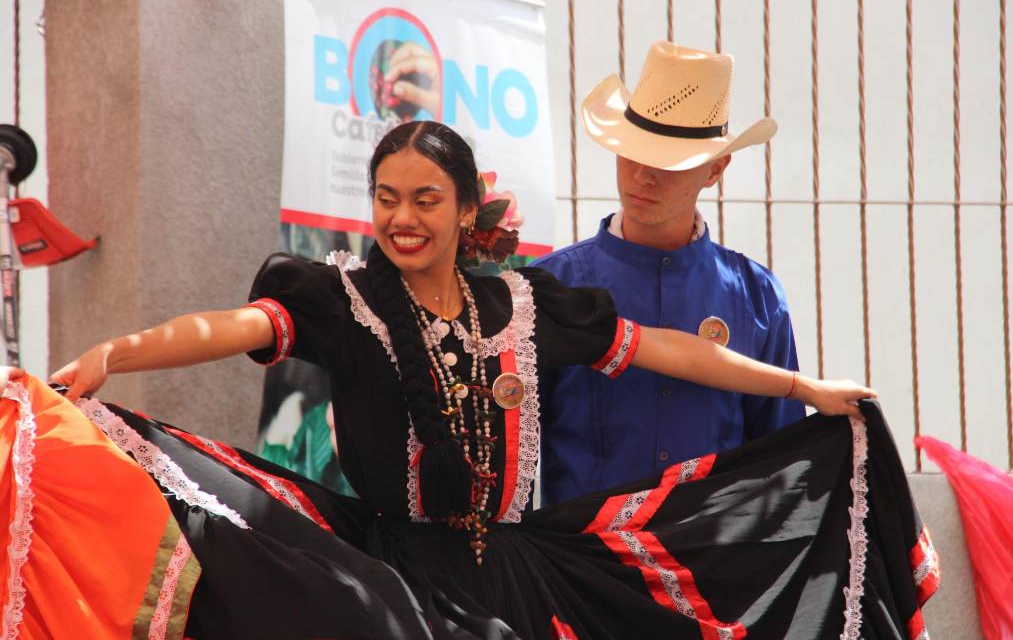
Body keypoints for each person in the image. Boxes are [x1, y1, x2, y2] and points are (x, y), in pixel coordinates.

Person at [3, 121, 936, 638]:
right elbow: (231, 326)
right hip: (391, 566)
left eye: (424, 199)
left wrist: (802, 389)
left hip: (524, 567)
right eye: (384, 198)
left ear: (461, 210)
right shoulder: (341, 298)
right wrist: (117, 353)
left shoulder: (527, 308)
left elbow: (672, 349)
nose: (401, 218)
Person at [535, 41, 805, 505]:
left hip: (713, 565)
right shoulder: (550, 287)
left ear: (716, 170)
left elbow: (781, 460)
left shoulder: (758, 296)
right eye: (632, 152)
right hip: (578, 561)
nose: (643, 175)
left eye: (669, 162)